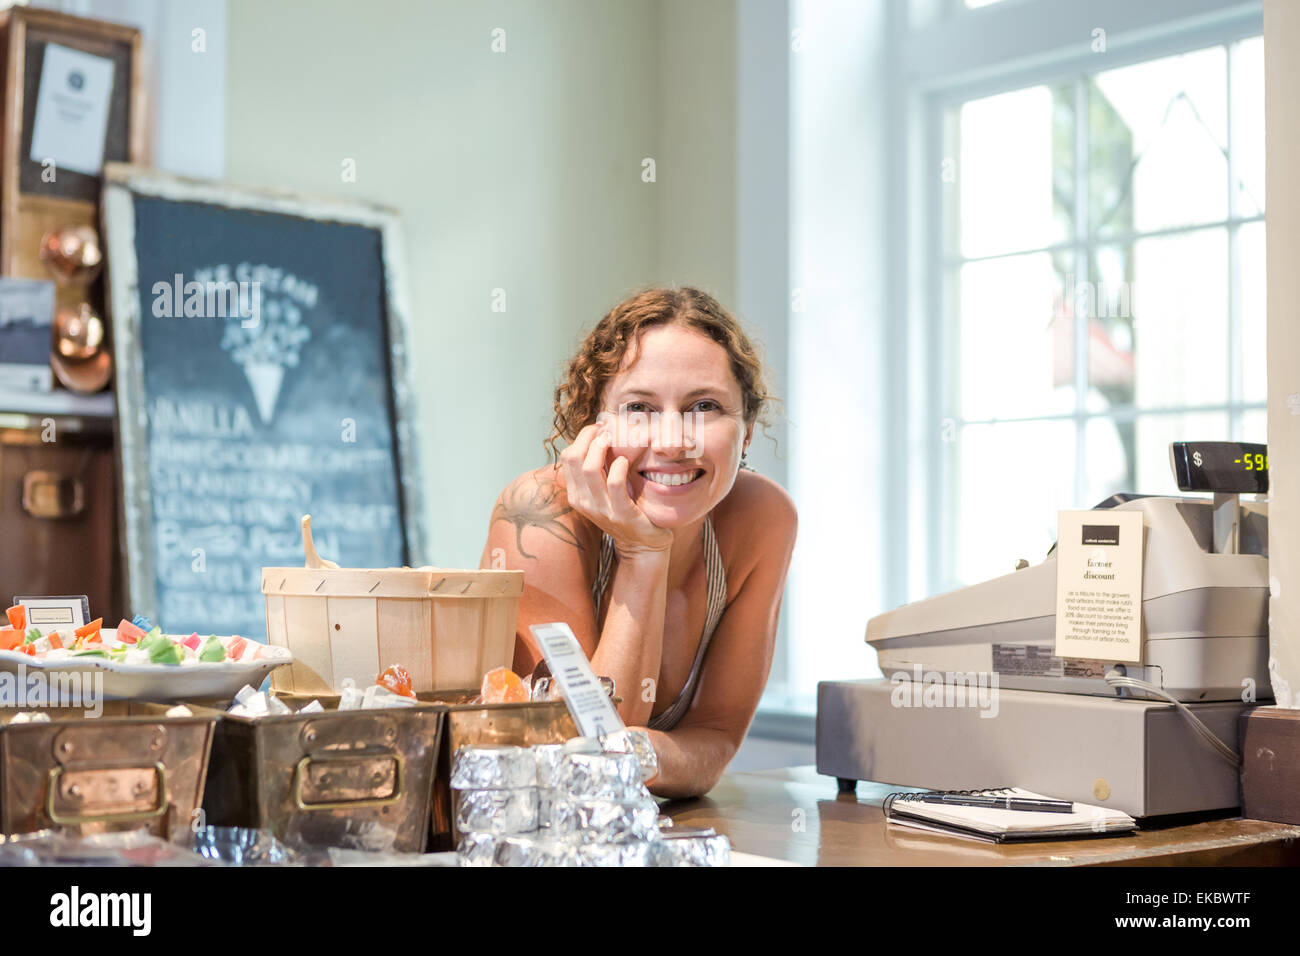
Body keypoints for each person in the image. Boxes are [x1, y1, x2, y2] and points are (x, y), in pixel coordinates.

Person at [481, 287, 797, 799]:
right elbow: (584, 766)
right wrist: (643, 553)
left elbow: (715, 739)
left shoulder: (764, 519)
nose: (672, 441)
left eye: (705, 406)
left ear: (747, 432)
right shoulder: (539, 514)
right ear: (594, 425)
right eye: (640, 408)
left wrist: (643, 754)